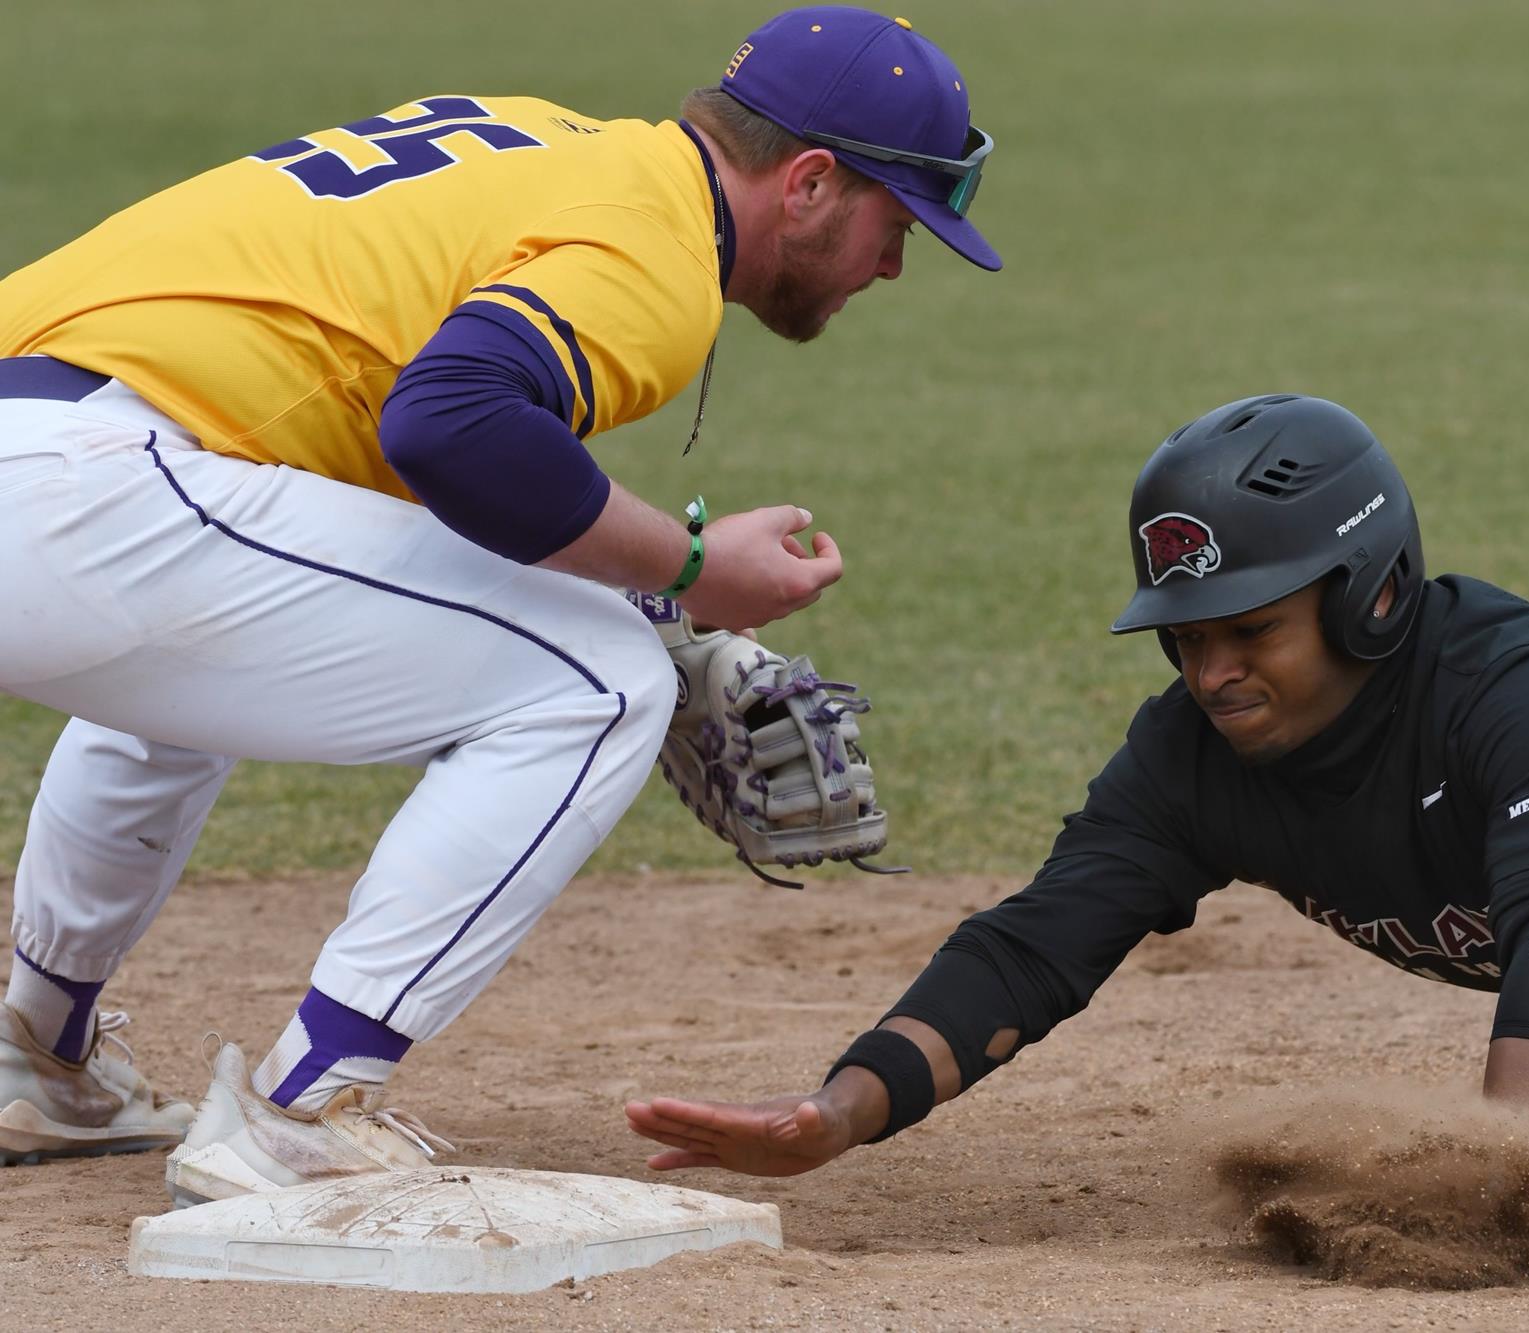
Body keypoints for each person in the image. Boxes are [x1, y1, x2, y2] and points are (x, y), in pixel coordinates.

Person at [0, 5, 1000, 1203]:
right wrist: (685, 577)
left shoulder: (537, 136)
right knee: (595, 683)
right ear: (811, 182)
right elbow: (452, 425)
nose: (894, 264)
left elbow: (385, 478)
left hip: (81, 460)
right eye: (898, 222)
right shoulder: (658, 254)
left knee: (196, 664)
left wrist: (655, 589)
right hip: (89, 495)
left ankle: (37, 1058)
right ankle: (306, 1110)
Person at [627, 392, 1529, 1175]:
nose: (1211, 671)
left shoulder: (1504, 686)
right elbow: (1039, 941)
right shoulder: (1192, 758)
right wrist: (838, 1110)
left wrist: (1495, 1184)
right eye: (1187, 635)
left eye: (1251, 629)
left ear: (1374, 592)